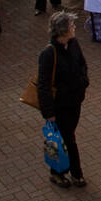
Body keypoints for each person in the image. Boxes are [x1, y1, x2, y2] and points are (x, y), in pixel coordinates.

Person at [37, 11, 89, 188]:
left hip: (74, 102)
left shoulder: (73, 44)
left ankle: (63, 172)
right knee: (64, 139)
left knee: (67, 137)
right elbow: (43, 86)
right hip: (59, 106)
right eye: (71, 26)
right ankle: (70, 173)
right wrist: (49, 113)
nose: (74, 28)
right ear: (63, 31)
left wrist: (83, 82)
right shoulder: (48, 54)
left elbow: (82, 64)